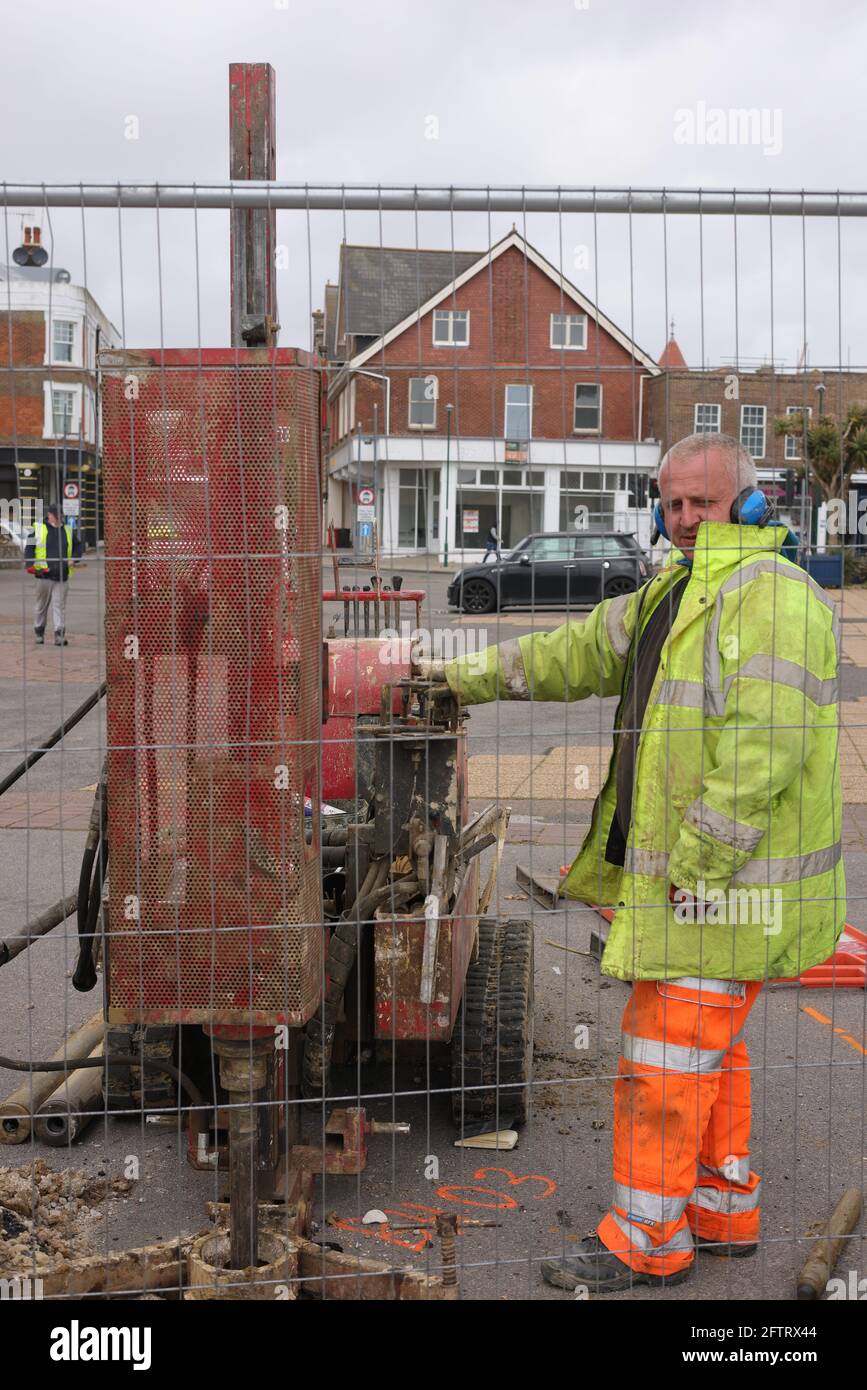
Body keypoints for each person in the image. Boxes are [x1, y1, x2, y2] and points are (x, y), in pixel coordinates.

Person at [433, 432, 845, 1292]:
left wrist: (692, 868)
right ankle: (720, 1207)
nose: (686, 518)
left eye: (703, 500)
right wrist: (454, 675)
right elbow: (570, 652)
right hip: (709, 890)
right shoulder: (676, 590)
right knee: (708, 1053)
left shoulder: (768, 594)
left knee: (662, 1062)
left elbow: (762, 754)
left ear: (749, 500)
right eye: (673, 503)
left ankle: (647, 1239)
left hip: (718, 889)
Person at [25, 503, 82, 646]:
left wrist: (74, 558)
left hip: (62, 576)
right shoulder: (37, 529)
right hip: (43, 575)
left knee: (59, 606)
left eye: (60, 517)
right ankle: (39, 632)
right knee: (40, 607)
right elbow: (29, 548)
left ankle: (59, 635)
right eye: (55, 516)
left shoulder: (68, 530)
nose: (58, 519)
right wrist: (30, 565)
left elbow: (78, 546)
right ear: (49, 515)